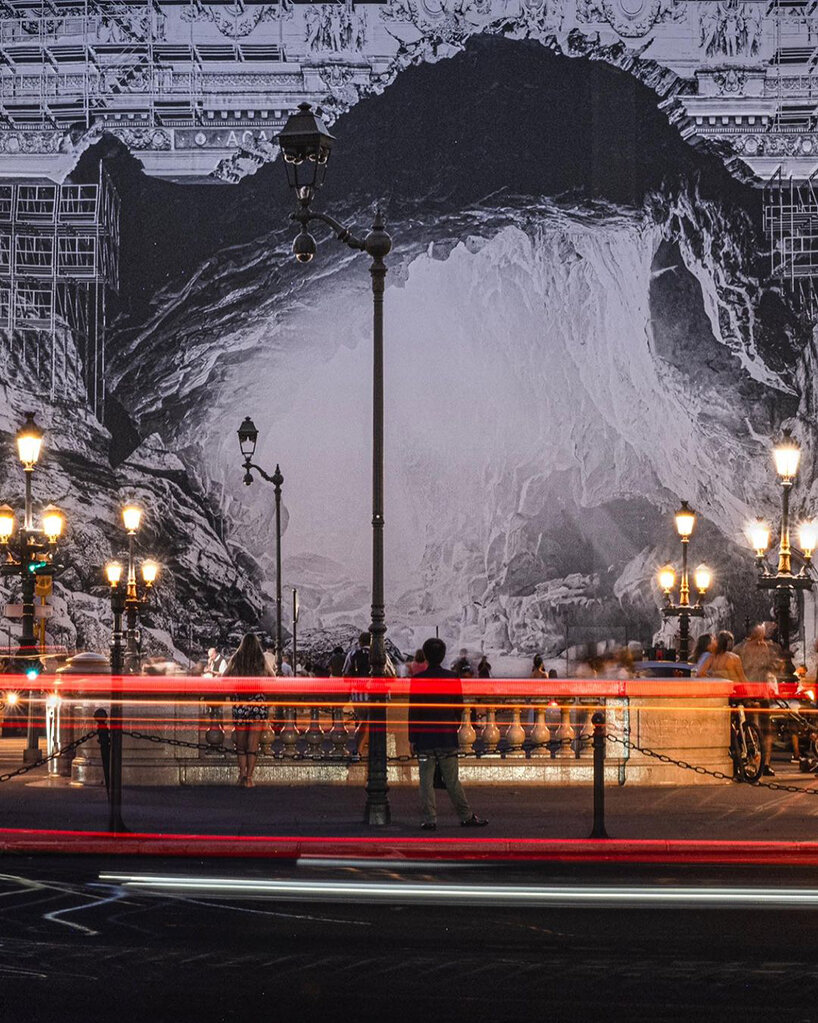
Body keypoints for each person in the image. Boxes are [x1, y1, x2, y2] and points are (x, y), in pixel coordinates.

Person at [409, 637, 487, 830]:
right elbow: (458, 707)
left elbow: (414, 711)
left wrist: (412, 738)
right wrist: (453, 725)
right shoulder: (452, 678)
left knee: (425, 781)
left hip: (425, 737)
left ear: (426, 656)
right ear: (443, 656)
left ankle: (429, 819)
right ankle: (466, 815)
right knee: (452, 780)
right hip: (446, 736)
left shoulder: (418, 680)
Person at [223, 633, 274, 788]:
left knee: (241, 743)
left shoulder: (236, 658)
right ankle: (250, 778)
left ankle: (241, 774)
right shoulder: (261, 660)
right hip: (258, 703)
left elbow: (224, 678)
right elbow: (272, 678)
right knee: (253, 744)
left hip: (240, 703)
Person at [735, 624, 780, 776]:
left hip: (758, 692)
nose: (761, 641)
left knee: (764, 729)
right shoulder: (741, 649)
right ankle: (756, 761)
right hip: (750, 693)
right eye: (759, 638)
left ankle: (764, 763)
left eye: (763, 638)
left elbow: (771, 667)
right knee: (752, 728)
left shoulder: (750, 648)